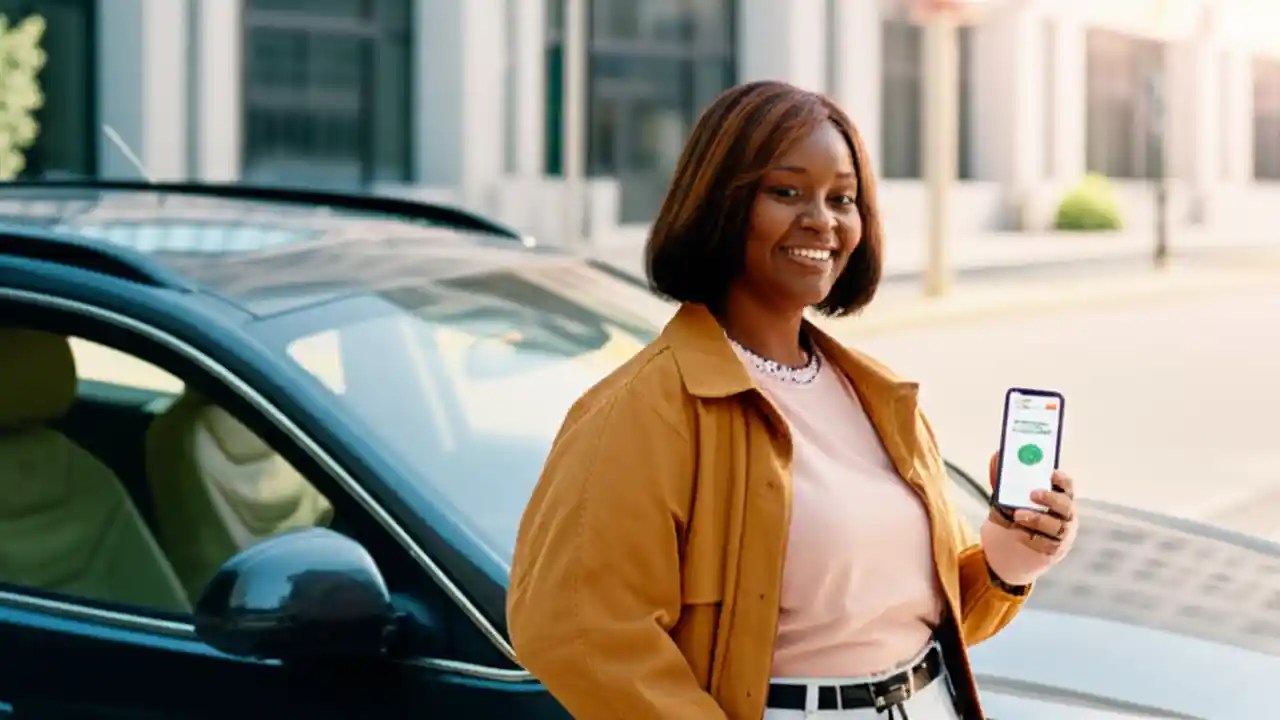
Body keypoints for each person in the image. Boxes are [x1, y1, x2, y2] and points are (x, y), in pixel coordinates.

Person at [507, 80, 1078, 720]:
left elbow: (901, 616)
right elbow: (576, 633)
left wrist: (1009, 561)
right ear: (719, 203)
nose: (822, 220)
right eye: (786, 191)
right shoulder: (642, 410)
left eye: (843, 198)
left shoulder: (877, 394)